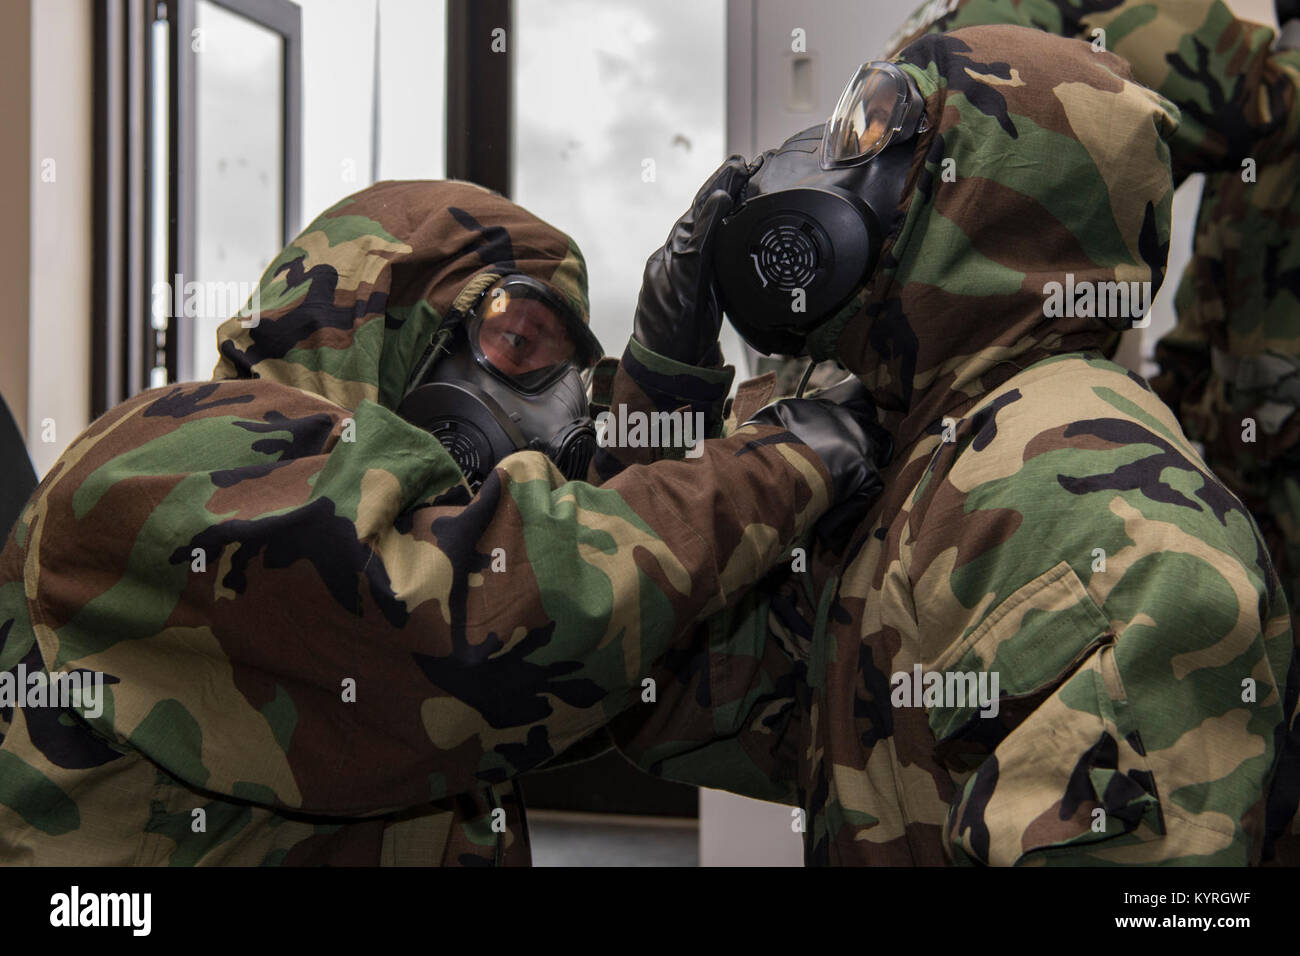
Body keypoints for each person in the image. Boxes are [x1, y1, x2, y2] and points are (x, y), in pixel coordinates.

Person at [0, 179, 888, 865]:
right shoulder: (162, 461)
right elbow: (461, 628)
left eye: (570, 378)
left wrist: (669, 392)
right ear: (380, 316)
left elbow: (651, 654)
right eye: (516, 343)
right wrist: (781, 462)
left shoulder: (425, 527)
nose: (555, 417)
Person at [606, 25, 1294, 865]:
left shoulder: (1081, 498)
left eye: (873, 140)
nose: (829, 173)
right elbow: (664, 690)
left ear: (982, 198)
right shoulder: (925, 448)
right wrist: (665, 388)